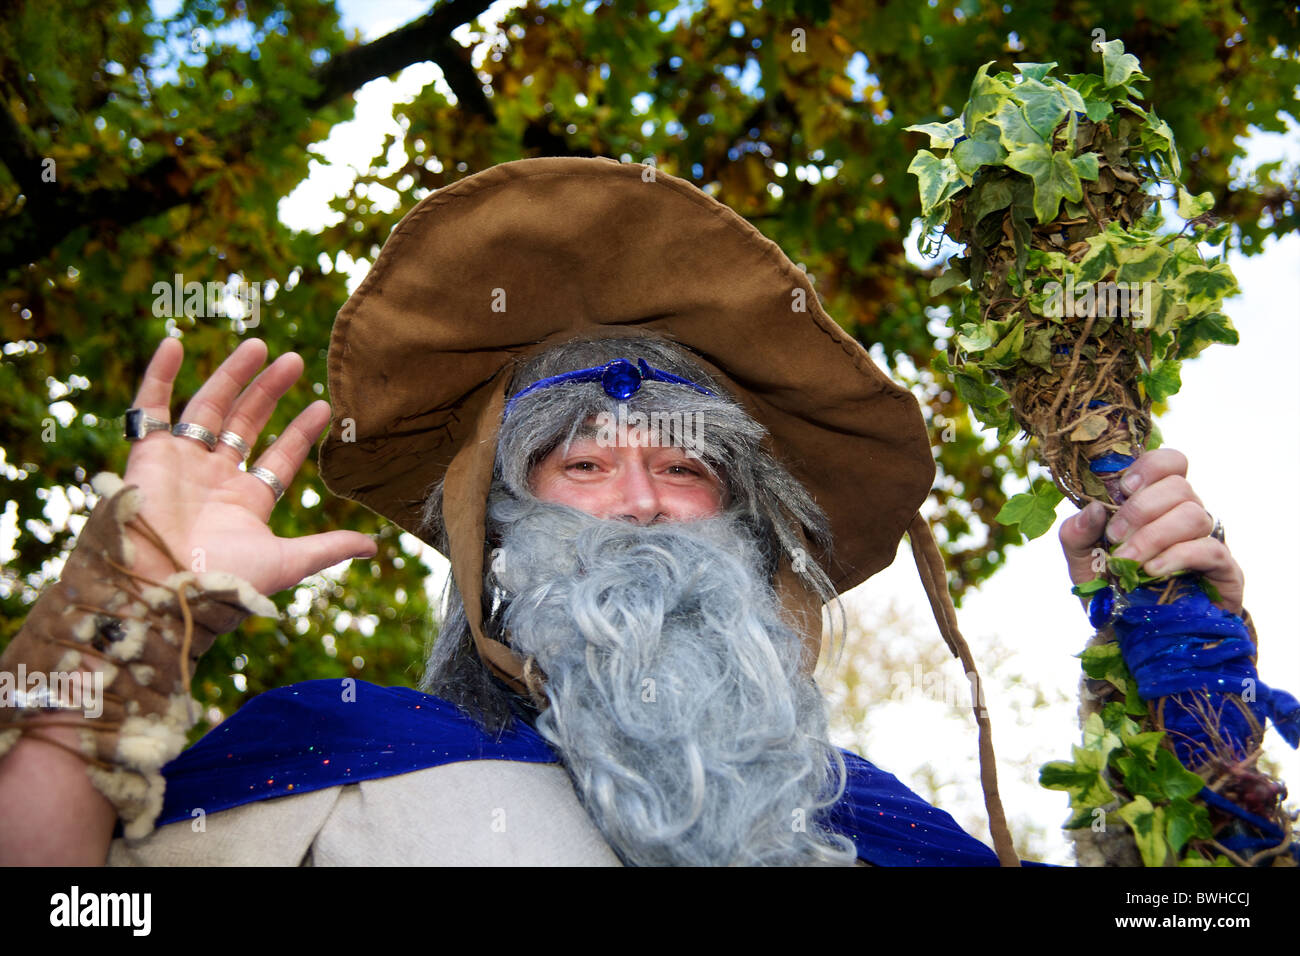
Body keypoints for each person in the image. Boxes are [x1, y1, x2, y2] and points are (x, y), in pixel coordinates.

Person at [0, 157, 1254, 866]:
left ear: (752, 534)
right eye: (581, 468)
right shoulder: (342, 766)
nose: (642, 503)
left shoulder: (883, 834)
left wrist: (1171, 696)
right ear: (496, 546)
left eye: (688, 468)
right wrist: (122, 612)